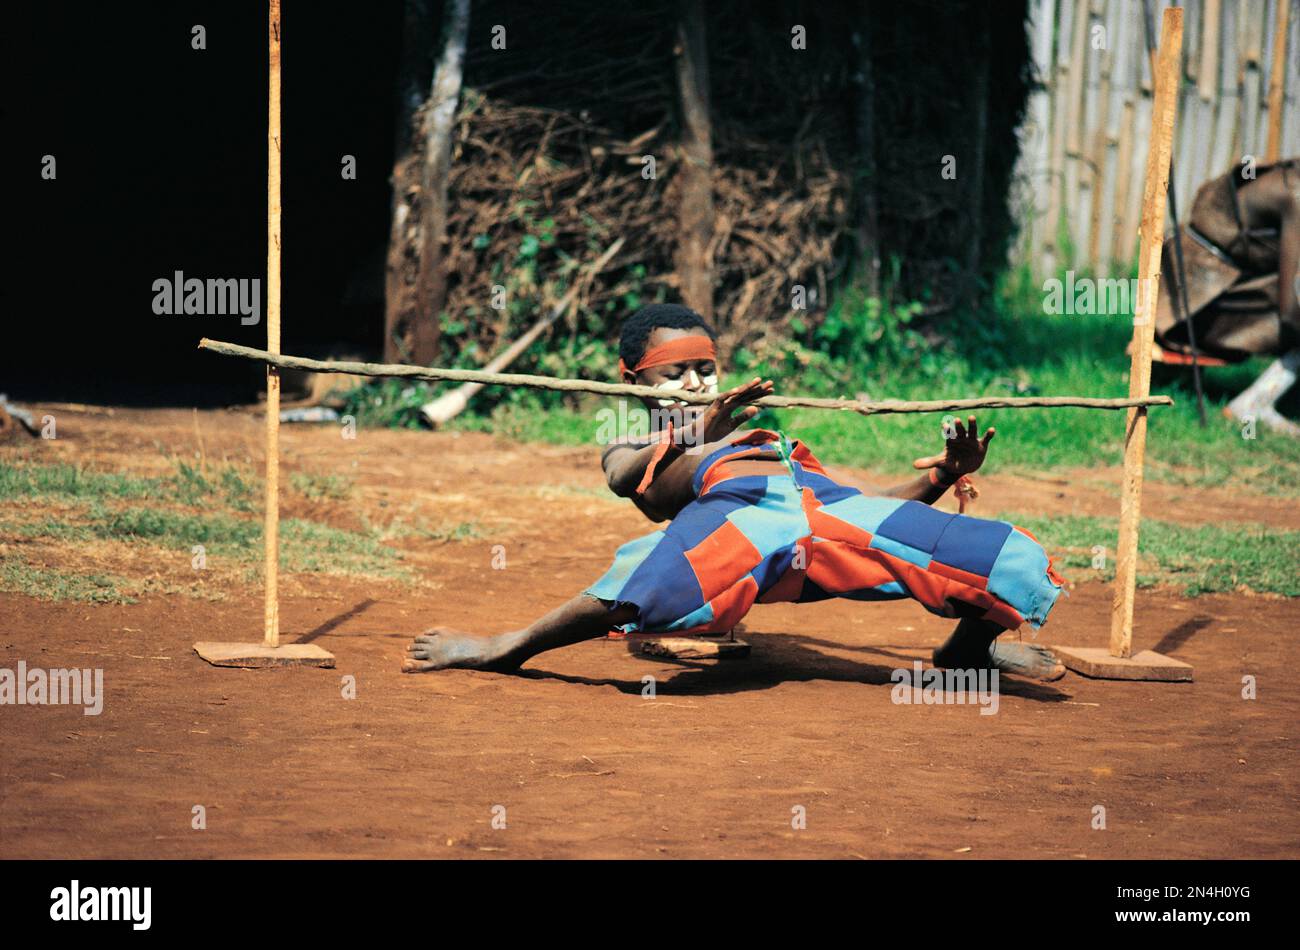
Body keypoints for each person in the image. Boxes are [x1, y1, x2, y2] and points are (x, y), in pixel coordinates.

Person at [403, 304, 1066, 681]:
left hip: (822, 527)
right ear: (633, 379)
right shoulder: (632, 445)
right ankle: (504, 647)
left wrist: (943, 475)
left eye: (704, 368)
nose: (694, 381)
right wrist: (703, 428)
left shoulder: (763, 437)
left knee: (1008, 557)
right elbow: (646, 489)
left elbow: (859, 507)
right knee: (644, 577)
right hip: (733, 537)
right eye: (674, 372)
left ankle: (966, 652)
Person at [1154, 158, 1300, 436]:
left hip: (1186, 298)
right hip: (1194, 310)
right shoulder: (1295, 193)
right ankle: (1252, 404)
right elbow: (1289, 309)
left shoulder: (1288, 176)